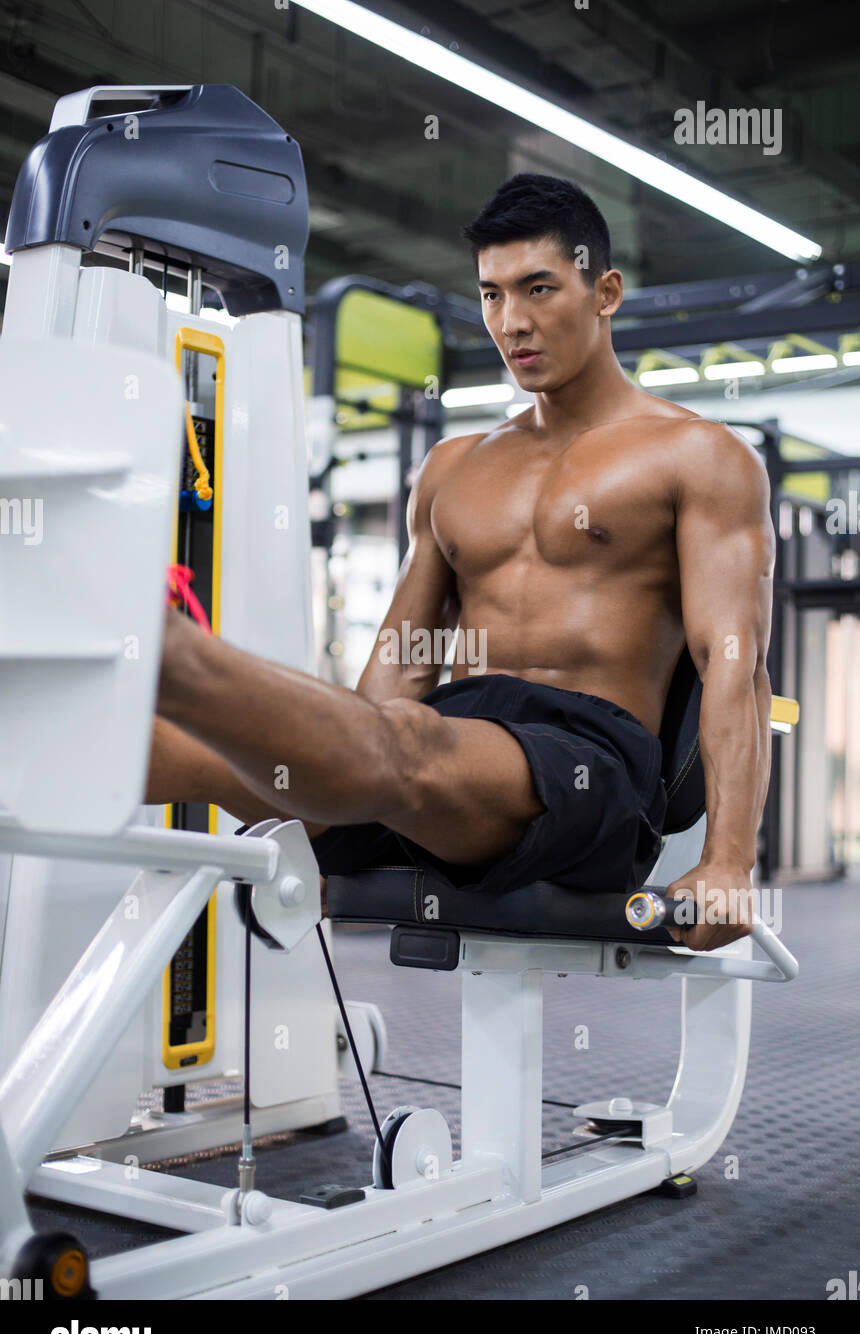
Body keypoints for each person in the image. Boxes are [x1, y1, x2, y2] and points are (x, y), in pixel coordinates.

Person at [148, 172, 775, 952]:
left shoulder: (699, 455)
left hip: (589, 769)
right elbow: (402, 661)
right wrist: (347, 742)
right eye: (491, 295)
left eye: (539, 288)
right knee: (184, 752)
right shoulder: (454, 467)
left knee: (408, 743)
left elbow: (735, 663)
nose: (512, 322)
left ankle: (174, 653)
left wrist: (729, 860)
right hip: (440, 749)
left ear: (605, 292)